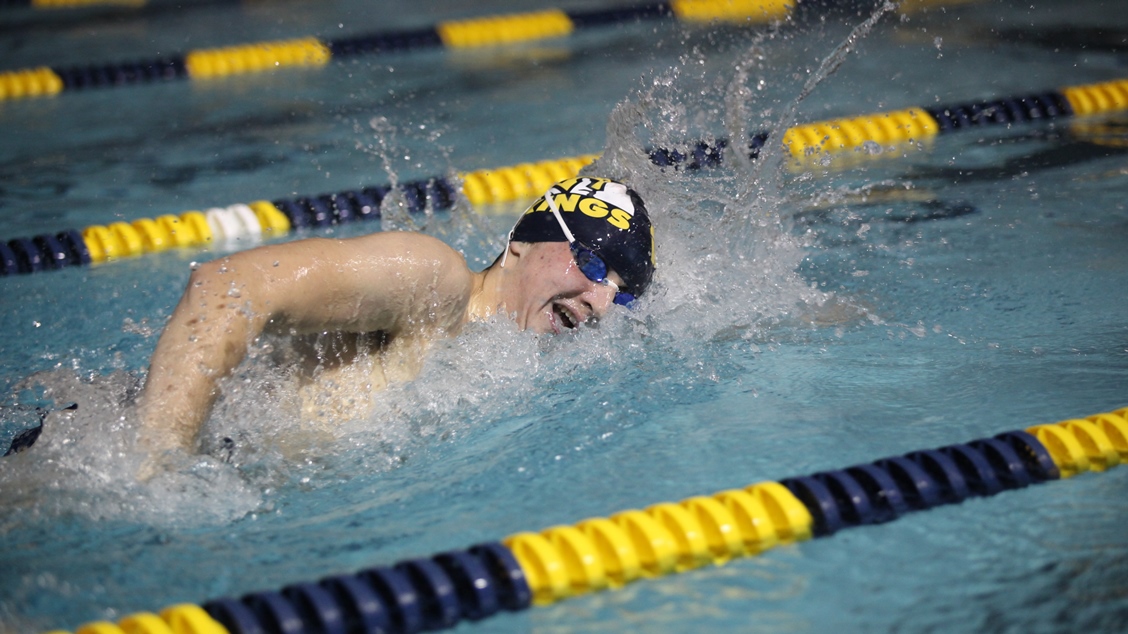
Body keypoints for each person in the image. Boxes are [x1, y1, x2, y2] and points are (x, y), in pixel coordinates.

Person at [134, 176, 656, 464]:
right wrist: (160, 459)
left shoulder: (514, 375)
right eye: (591, 262)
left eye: (622, 293)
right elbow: (228, 285)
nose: (600, 302)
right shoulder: (435, 287)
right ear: (520, 244)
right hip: (122, 439)